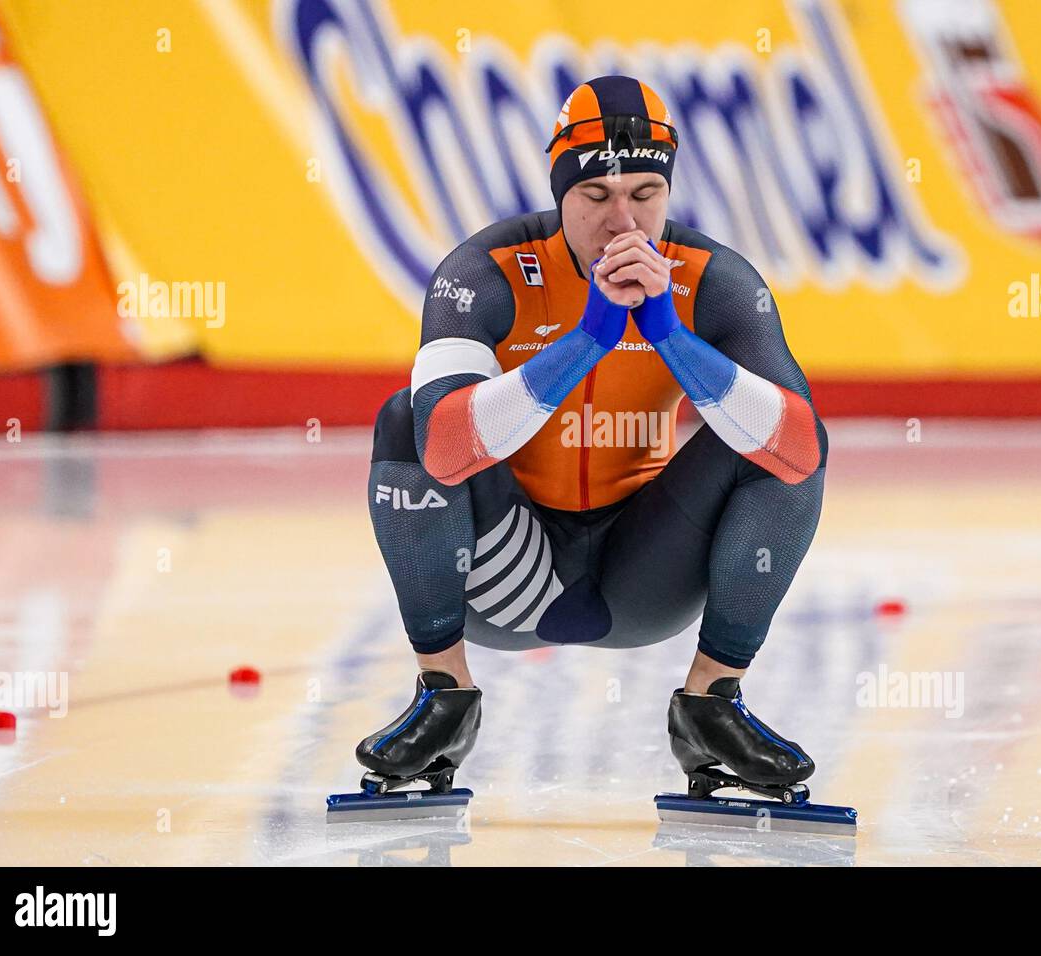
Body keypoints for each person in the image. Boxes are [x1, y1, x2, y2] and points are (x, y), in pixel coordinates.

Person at [355, 75, 829, 803]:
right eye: (596, 197)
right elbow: (445, 452)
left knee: (774, 434)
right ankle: (444, 695)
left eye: (645, 194)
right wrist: (586, 340)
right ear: (559, 192)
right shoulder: (484, 275)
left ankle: (712, 703)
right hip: (504, 573)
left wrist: (670, 335)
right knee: (404, 416)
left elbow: (801, 452)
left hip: (643, 573)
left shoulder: (713, 281)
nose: (622, 221)